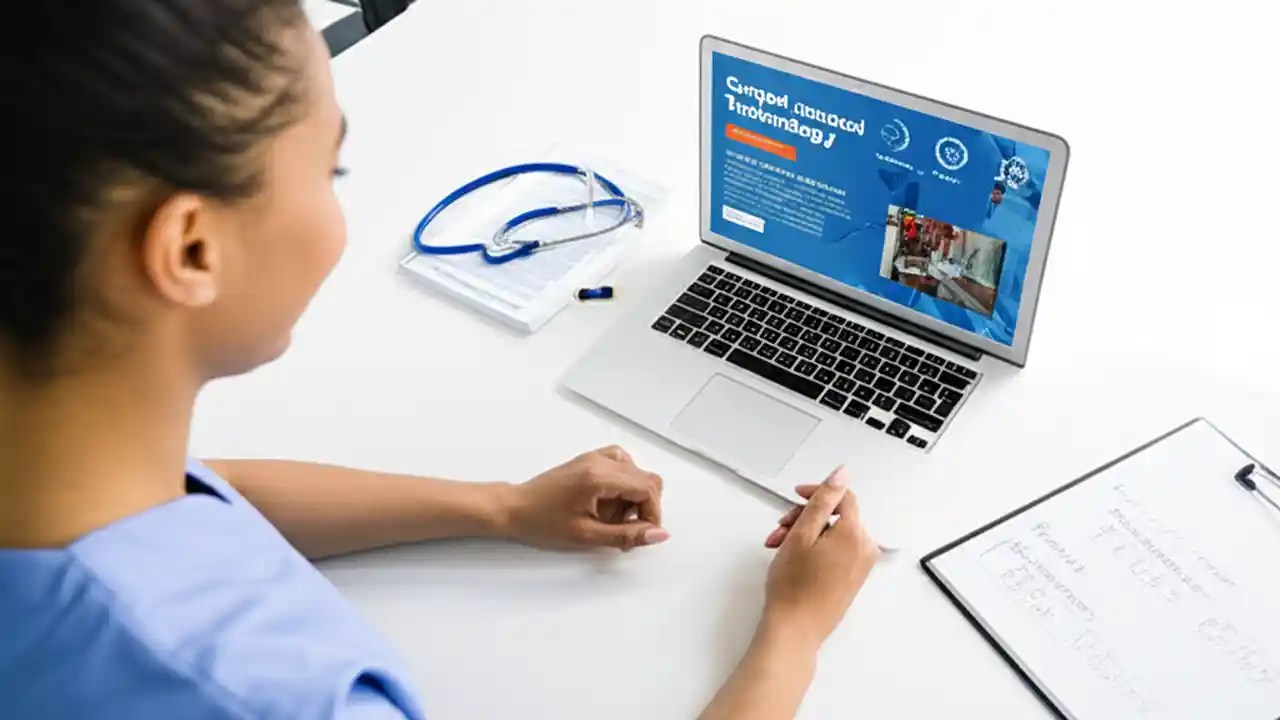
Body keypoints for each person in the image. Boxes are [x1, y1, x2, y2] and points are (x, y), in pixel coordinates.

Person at [0, 3, 880, 719]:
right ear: (192, 250)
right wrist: (794, 633)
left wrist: (500, 508)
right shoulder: (272, 698)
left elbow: (208, 488)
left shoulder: (62, 469)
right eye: (330, 172)